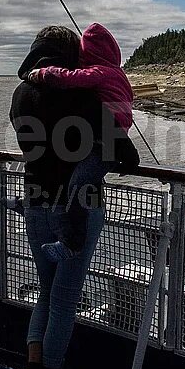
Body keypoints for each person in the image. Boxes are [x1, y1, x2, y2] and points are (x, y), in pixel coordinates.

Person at [10, 25, 137, 369]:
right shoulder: (80, 98)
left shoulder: (20, 94)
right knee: (66, 296)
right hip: (77, 203)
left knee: (46, 290)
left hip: (34, 199)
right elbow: (124, 153)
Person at [24, 23, 134, 262]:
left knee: (77, 186)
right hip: (108, 141)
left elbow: (73, 78)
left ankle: (71, 243)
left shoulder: (100, 73)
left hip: (106, 144)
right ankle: (62, 233)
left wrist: (44, 73)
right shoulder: (117, 74)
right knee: (78, 186)